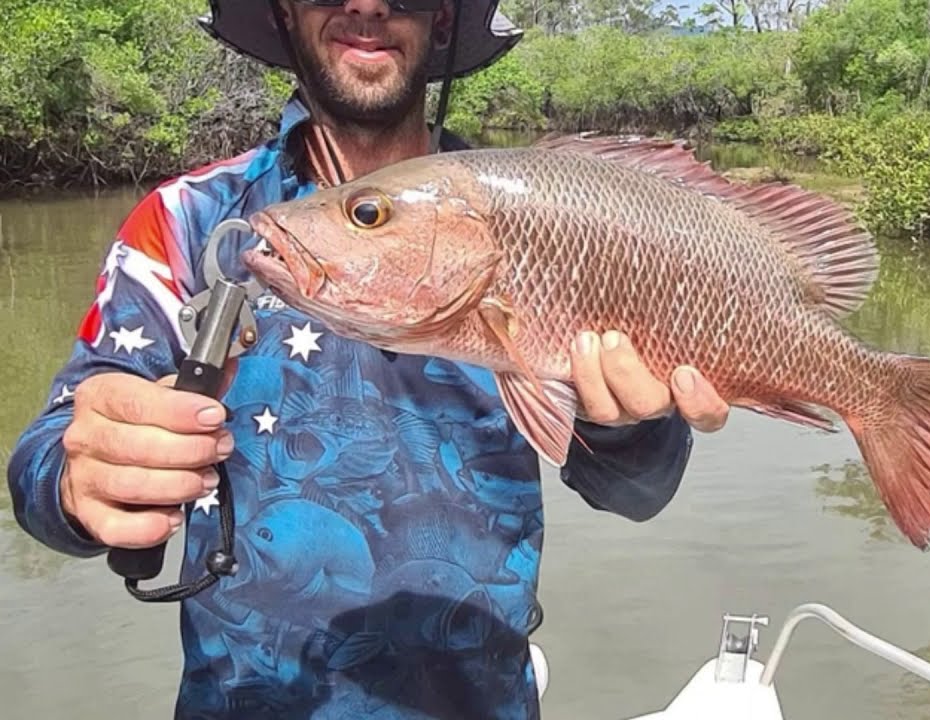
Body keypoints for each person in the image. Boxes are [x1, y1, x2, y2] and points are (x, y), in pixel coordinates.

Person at [5, 1, 730, 717]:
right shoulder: (190, 218)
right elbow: (42, 469)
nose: (367, 5)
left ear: (443, 18)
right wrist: (82, 478)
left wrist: (623, 426)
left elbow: (639, 496)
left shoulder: (544, 214)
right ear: (284, 12)